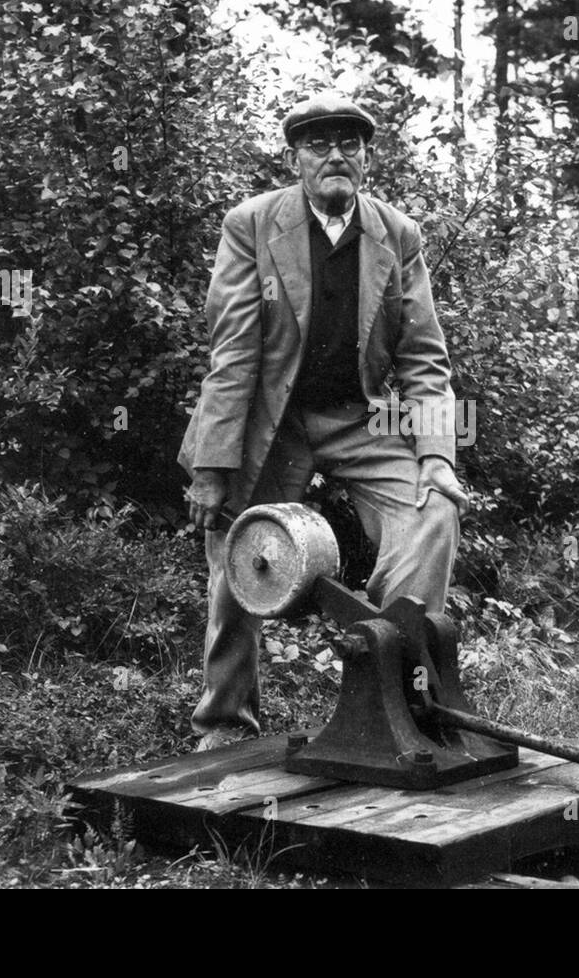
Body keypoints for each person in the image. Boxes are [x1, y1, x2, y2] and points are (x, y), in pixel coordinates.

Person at [179, 93, 470, 751]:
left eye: (349, 143)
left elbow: (424, 359)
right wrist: (214, 466)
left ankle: (395, 690)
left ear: (367, 156)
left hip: (356, 418)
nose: (335, 155)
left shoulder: (397, 235)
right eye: (318, 144)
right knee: (240, 554)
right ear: (296, 158)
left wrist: (437, 459)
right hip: (266, 420)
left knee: (434, 511)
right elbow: (233, 355)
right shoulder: (251, 225)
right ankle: (224, 727)